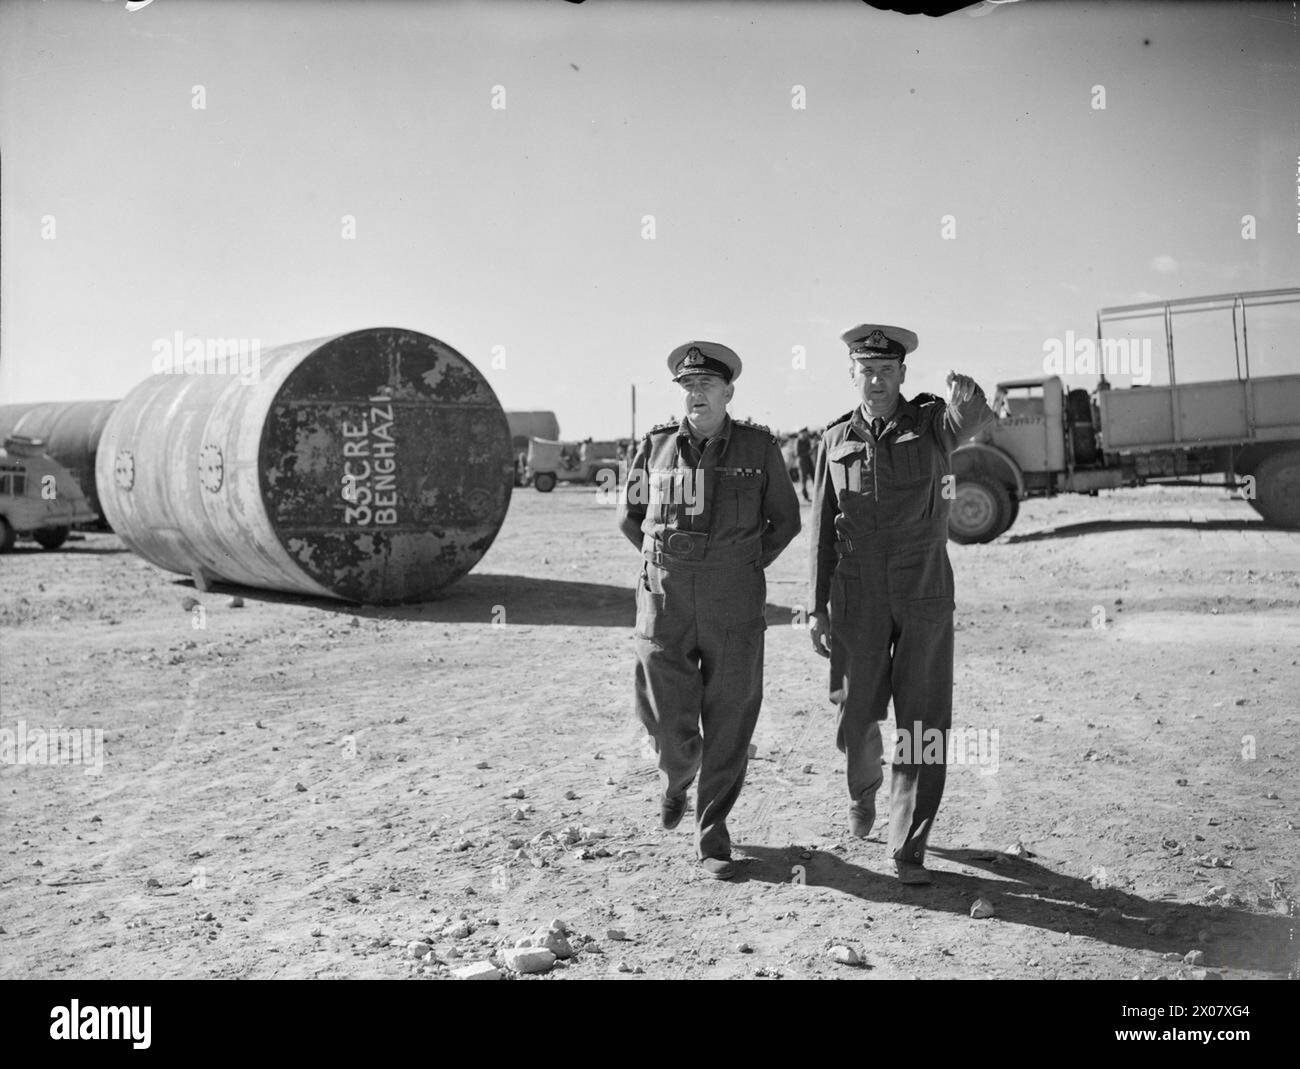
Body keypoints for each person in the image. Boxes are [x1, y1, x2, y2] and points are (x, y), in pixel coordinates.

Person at [807, 323, 993, 885]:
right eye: (867, 370)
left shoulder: (934, 425)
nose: (877, 379)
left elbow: (972, 419)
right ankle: (863, 793)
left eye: (887, 370)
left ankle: (907, 844)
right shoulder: (834, 440)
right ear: (852, 374)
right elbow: (820, 532)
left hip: (923, 583)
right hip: (857, 589)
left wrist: (970, 397)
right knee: (856, 710)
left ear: (903, 375)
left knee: (923, 716)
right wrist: (817, 608)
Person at [618, 341, 801, 879]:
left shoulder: (758, 448)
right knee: (669, 719)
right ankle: (677, 776)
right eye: (688, 386)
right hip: (666, 600)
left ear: (728, 392)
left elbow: (784, 523)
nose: (696, 394)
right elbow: (631, 518)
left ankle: (712, 833)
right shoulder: (652, 448)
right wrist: (667, 565)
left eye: (706, 386)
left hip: (733, 600)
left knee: (731, 717)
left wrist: (739, 564)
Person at [795, 428, 815, 502]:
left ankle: (817, 495)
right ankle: (805, 497)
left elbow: (810, 451)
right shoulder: (798, 441)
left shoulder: (807, 440)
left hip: (808, 461)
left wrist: (811, 450)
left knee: (814, 478)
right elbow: (797, 453)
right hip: (802, 462)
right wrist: (808, 452)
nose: (806, 434)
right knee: (803, 480)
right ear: (801, 433)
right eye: (804, 433)